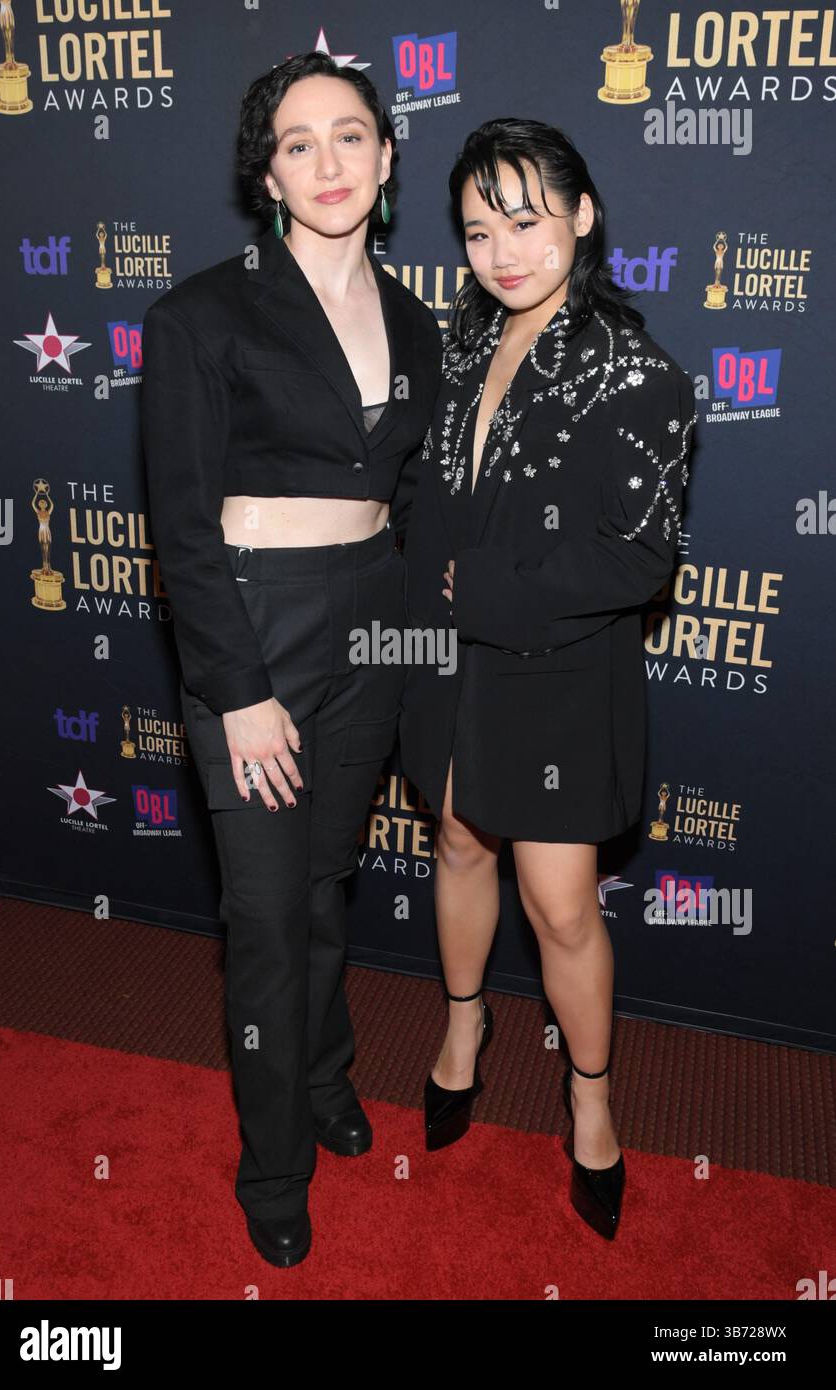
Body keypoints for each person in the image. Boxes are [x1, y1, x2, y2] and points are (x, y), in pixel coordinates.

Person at [140, 51, 442, 1268]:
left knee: (324, 885)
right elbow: (180, 530)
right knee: (265, 915)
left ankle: (324, 1078)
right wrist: (240, 690)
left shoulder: (417, 317)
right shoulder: (200, 313)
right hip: (254, 626)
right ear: (264, 170)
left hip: (368, 620)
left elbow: (410, 504)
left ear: (385, 153)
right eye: (299, 142)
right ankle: (273, 1161)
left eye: (351, 136)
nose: (329, 162)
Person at [398, 118, 697, 1240]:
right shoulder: (460, 347)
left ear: (582, 215)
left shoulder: (637, 373)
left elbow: (637, 556)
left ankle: (590, 1098)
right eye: (477, 230)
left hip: (559, 673)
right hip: (444, 664)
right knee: (458, 841)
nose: (501, 252)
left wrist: (470, 590)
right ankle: (464, 1027)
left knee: (561, 907)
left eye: (524, 221)